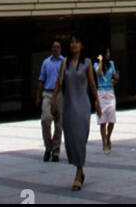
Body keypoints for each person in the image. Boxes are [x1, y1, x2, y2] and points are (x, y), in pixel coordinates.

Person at [52, 33, 100, 191]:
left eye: (77, 42)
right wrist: (53, 100)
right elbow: (59, 83)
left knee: (80, 138)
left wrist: (97, 102)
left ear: (82, 45)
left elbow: (92, 84)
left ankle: (79, 173)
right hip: (69, 105)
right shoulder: (64, 62)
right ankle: (79, 168)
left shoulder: (87, 63)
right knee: (71, 138)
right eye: (72, 42)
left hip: (83, 105)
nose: (73, 45)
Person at [36, 39, 64, 161]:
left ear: (60, 49)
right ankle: (48, 147)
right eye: (53, 47)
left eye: (57, 47)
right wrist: (38, 96)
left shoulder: (64, 62)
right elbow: (41, 80)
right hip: (47, 93)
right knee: (45, 120)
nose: (55, 49)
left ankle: (56, 151)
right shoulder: (46, 62)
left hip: (60, 95)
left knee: (59, 124)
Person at [94, 48, 119, 152]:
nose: (108, 54)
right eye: (107, 52)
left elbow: (114, 77)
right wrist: (100, 61)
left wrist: (116, 78)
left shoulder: (111, 63)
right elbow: (99, 73)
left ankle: (108, 137)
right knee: (102, 121)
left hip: (110, 92)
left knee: (112, 119)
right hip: (100, 93)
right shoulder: (96, 64)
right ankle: (104, 142)